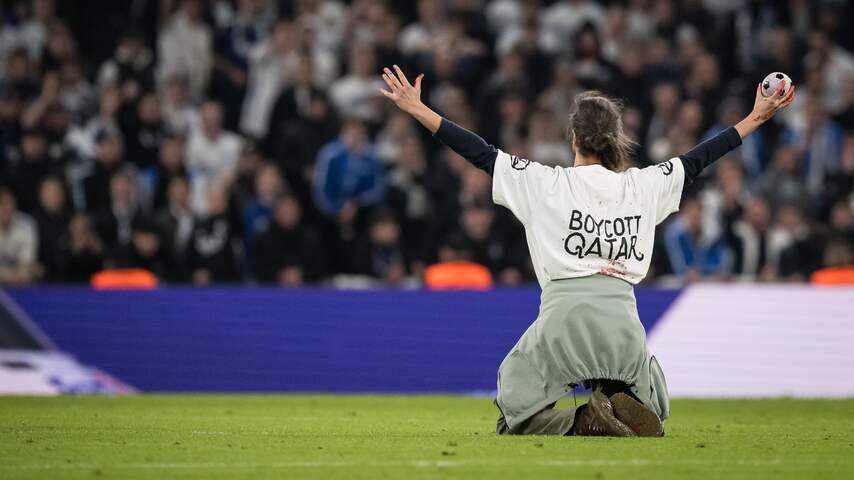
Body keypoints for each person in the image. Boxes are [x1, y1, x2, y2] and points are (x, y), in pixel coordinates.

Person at [380, 64, 795, 436]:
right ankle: (616, 398)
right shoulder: (643, 185)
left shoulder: (544, 183)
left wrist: (418, 109)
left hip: (564, 318)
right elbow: (699, 158)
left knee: (514, 415)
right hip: (623, 321)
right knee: (653, 411)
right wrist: (756, 116)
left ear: (574, 136)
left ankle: (581, 420)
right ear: (615, 139)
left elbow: (480, 153)